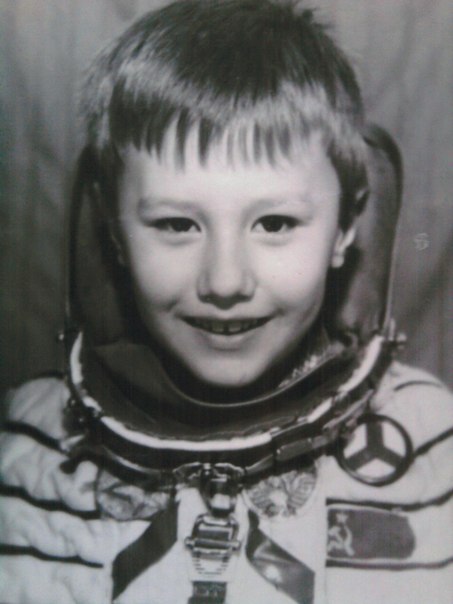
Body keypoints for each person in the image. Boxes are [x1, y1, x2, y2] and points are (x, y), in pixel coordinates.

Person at [1, 1, 452, 602]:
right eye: (176, 225)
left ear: (345, 228)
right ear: (114, 232)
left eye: (274, 223)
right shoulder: (30, 447)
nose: (224, 280)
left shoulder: (431, 446)